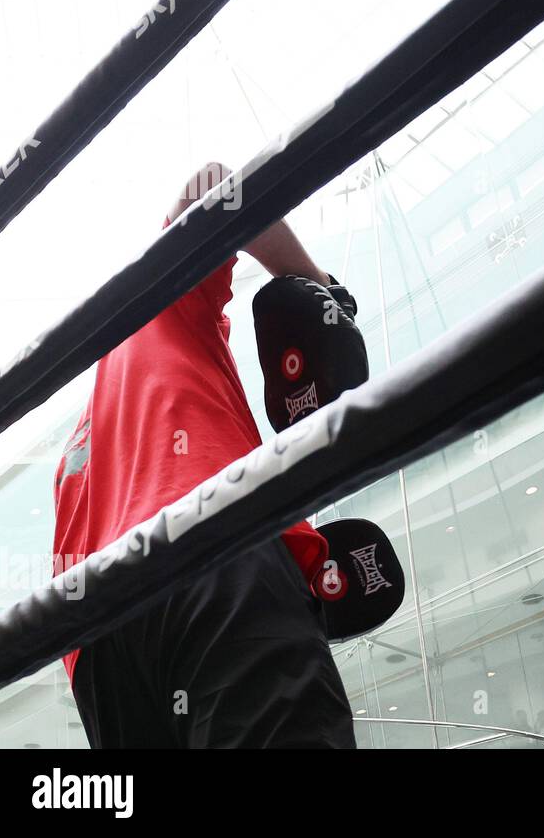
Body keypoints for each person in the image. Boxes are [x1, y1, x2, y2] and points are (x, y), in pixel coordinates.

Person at [52, 163, 358, 748]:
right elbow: (216, 186)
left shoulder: (74, 459)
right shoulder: (164, 308)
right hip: (209, 547)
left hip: (95, 651)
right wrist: (324, 291)